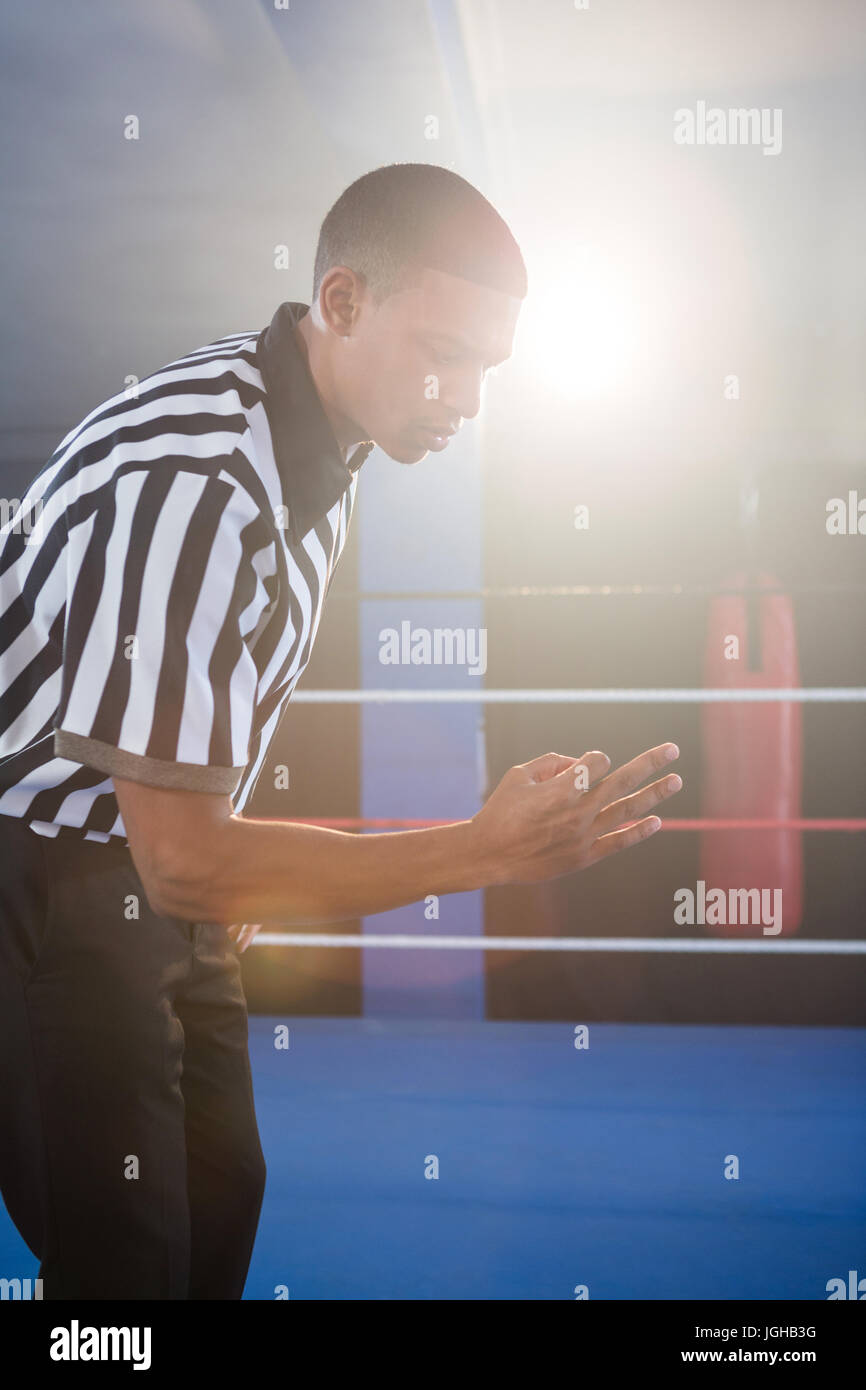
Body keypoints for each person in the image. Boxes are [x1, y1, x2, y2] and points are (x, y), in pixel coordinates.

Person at [0, 162, 682, 1299]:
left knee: (217, 1201)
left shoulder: (324, 440)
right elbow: (180, 854)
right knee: (127, 1266)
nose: (463, 398)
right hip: (29, 867)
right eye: (445, 351)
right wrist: (480, 850)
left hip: (130, 863)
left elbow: (187, 785)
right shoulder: (199, 478)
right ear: (345, 301)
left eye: (486, 369)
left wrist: (236, 874)